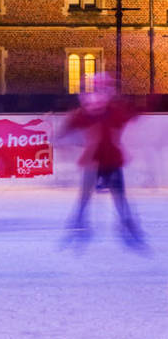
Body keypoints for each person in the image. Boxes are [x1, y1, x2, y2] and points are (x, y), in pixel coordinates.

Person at [60, 74, 144, 247]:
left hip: (108, 160)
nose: (96, 102)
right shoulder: (91, 112)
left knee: (117, 196)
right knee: (88, 195)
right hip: (96, 161)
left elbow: (133, 115)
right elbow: (70, 127)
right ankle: (81, 221)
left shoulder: (113, 110)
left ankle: (124, 222)